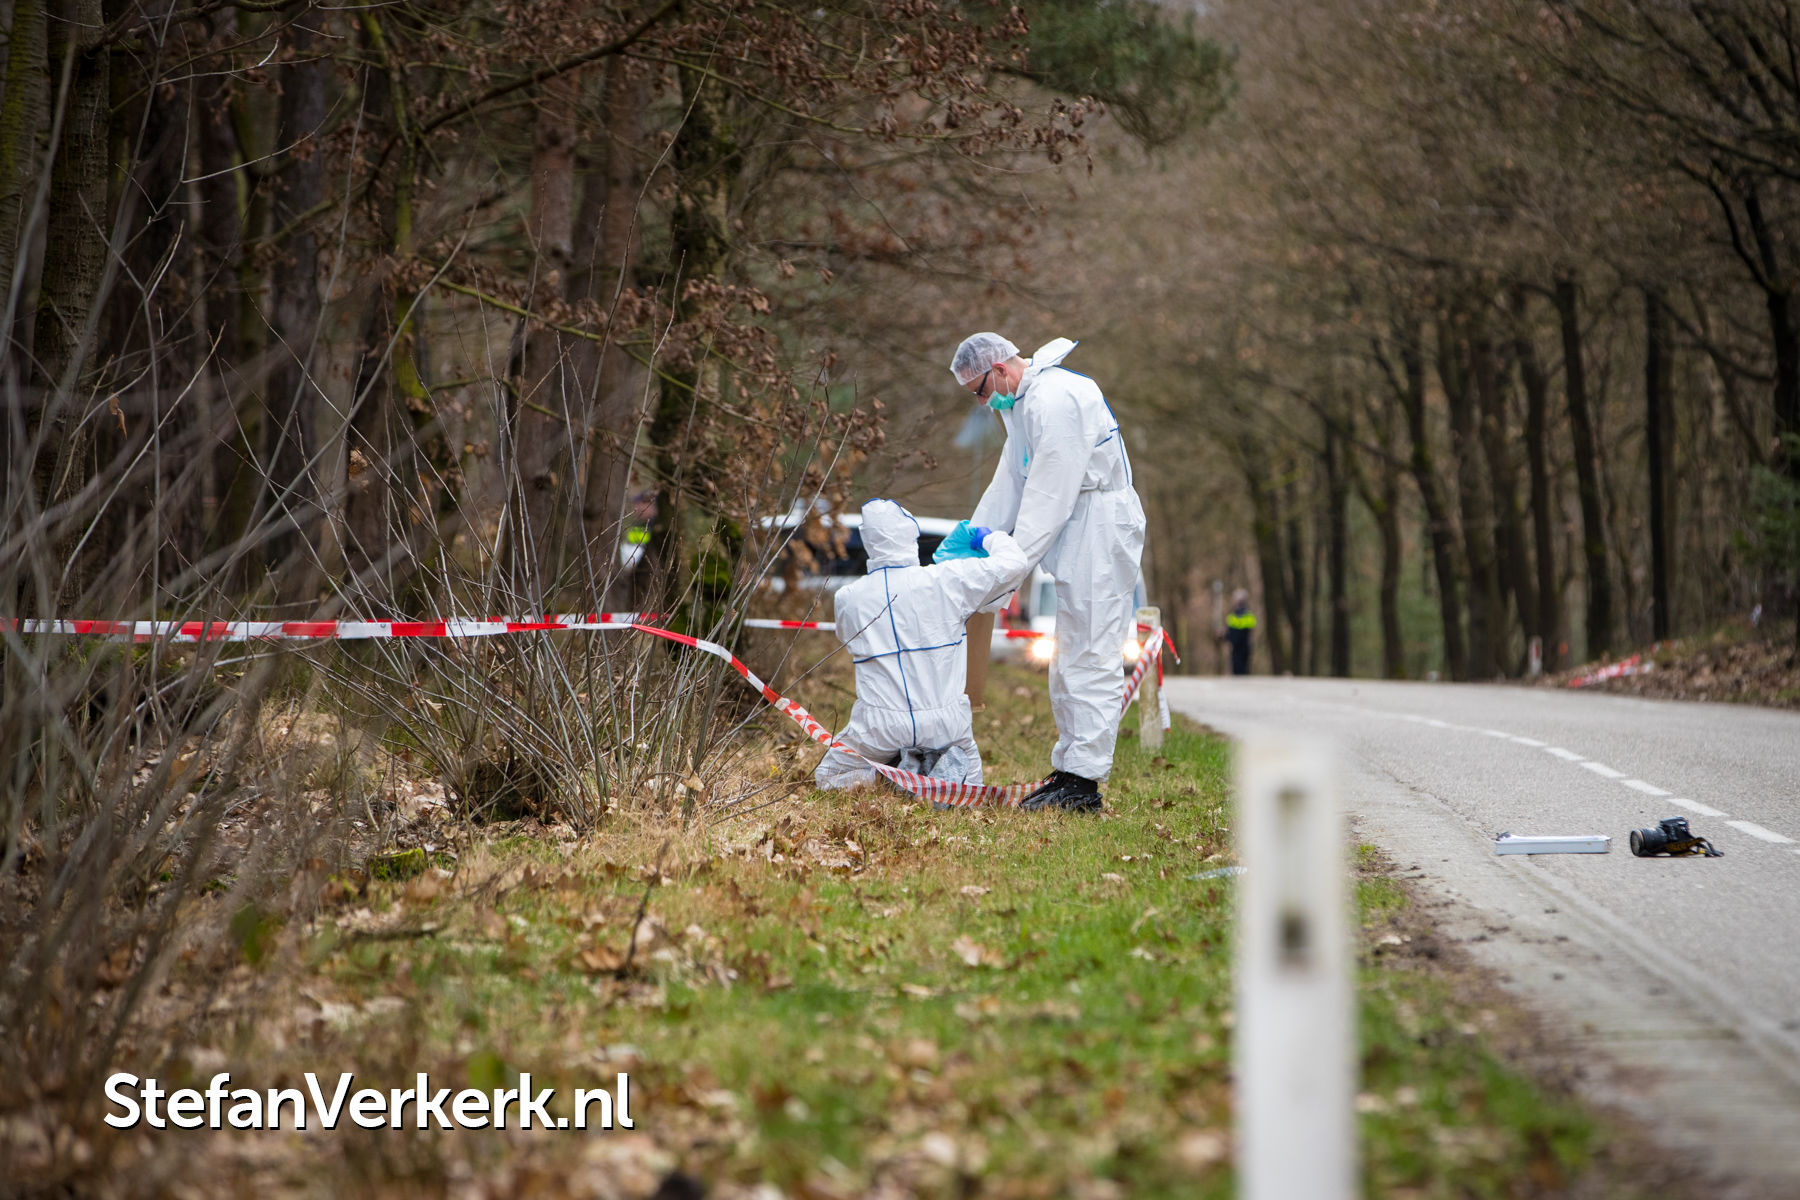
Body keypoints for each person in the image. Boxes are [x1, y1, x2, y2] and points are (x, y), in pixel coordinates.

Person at [945, 332, 1146, 814]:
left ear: (998, 369)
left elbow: (1046, 500)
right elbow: (1010, 482)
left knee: (1092, 654)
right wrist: (972, 540)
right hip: (1082, 527)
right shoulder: (1023, 406)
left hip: (1099, 524)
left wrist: (1003, 572)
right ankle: (1070, 769)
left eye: (979, 390)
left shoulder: (1057, 400)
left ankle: (1084, 783)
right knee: (1070, 655)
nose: (982, 401)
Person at [815, 499, 1028, 792]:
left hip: (880, 724)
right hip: (946, 722)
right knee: (972, 789)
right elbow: (1015, 565)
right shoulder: (945, 580)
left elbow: (849, 636)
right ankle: (940, 782)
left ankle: (889, 780)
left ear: (868, 542)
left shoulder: (848, 598)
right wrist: (988, 537)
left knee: (828, 777)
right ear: (910, 535)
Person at [1223, 588, 1255, 675]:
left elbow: (1240, 632)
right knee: (1237, 671)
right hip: (1237, 648)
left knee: (1242, 671)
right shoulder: (1233, 616)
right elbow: (1230, 633)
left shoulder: (1247, 616)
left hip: (1242, 647)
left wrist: (1228, 637)